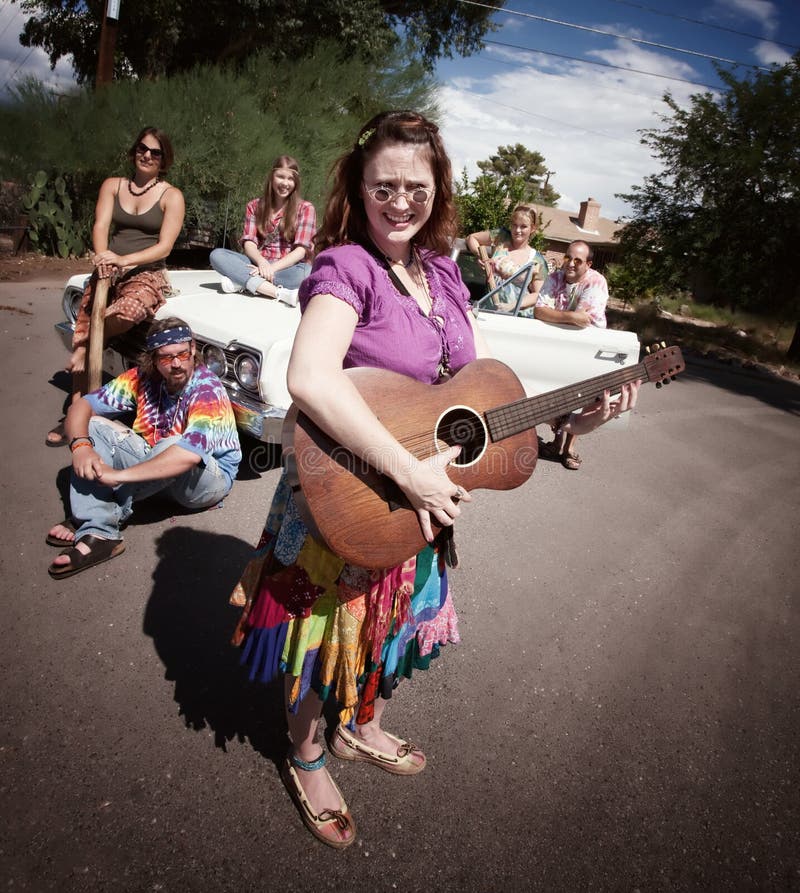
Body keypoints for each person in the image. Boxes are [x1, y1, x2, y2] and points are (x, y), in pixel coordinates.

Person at [229, 111, 638, 849]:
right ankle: (308, 751)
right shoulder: (346, 267)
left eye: (415, 186)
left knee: (389, 627)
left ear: (437, 189)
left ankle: (362, 725)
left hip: (423, 497)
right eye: (383, 185)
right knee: (327, 629)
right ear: (359, 185)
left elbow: (469, 405)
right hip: (350, 493)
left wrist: (580, 417)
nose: (399, 201)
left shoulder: (444, 271)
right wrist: (407, 473)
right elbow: (311, 378)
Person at [47, 317, 241, 579]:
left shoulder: (207, 390)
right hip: (156, 464)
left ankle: (97, 511)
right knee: (91, 426)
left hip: (206, 480)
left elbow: (186, 456)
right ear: (153, 358)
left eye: (182, 354)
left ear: (193, 349)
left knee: (174, 443)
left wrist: (116, 476)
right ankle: (99, 531)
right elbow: (81, 407)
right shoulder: (141, 378)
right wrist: (81, 446)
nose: (176, 364)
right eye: (165, 357)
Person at [46, 127, 186, 446]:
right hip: (109, 268)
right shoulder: (113, 185)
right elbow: (100, 226)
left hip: (146, 272)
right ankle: (75, 420)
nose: (147, 156)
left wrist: (126, 261)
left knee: (123, 313)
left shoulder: (171, 196)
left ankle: (83, 346)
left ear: (164, 159)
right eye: (142, 149)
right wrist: (103, 259)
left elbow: (164, 247)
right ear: (133, 151)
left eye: (155, 152)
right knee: (89, 316)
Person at [534, 239, 610, 470]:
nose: (571, 264)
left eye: (578, 260)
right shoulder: (554, 278)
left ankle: (569, 448)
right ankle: (556, 442)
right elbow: (539, 310)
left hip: (587, 348)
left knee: (580, 397)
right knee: (557, 394)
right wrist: (568, 317)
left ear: (588, 264)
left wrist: (554, 314)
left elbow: (584, 320)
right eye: (568, 258)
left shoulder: (596, 281)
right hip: (559, 344)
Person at [209, 155, 316, 307]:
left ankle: (243, 282)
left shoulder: (305, 208)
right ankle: (279, 293)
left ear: (296, 182)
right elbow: (249, 243)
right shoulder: (254, 206)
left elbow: (301, 251)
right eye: (280, 177)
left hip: (287, 268)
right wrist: (262, 263)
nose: (285, 183)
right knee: (217, 255)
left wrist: (271, 269)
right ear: (272, 177)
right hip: (258, 262)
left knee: (305, 274)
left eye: (290, 179)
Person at [465, 204, 547, 312]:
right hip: (488, 311)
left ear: (532, 228)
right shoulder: (501, 237)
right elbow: (472, 238)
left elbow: (538, 295)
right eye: (514, 225)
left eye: (523, 226)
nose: (517, 230)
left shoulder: (537, 260)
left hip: (516, 317)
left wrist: (512, 305)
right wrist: (481, 257)